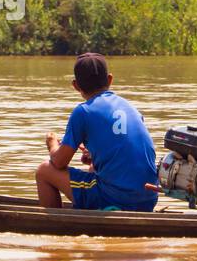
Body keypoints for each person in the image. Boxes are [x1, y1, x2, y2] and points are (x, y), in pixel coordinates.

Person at [35, 52, 159, 212]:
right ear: (109, 79)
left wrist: (52, 144)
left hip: (116, 198)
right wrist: (95, 156)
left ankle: (54, 226)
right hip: (148, 198)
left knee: (44, 171)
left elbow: (59, 162)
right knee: (93, 168)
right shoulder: (130, 107)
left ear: (75, 85)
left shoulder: (83, 112)